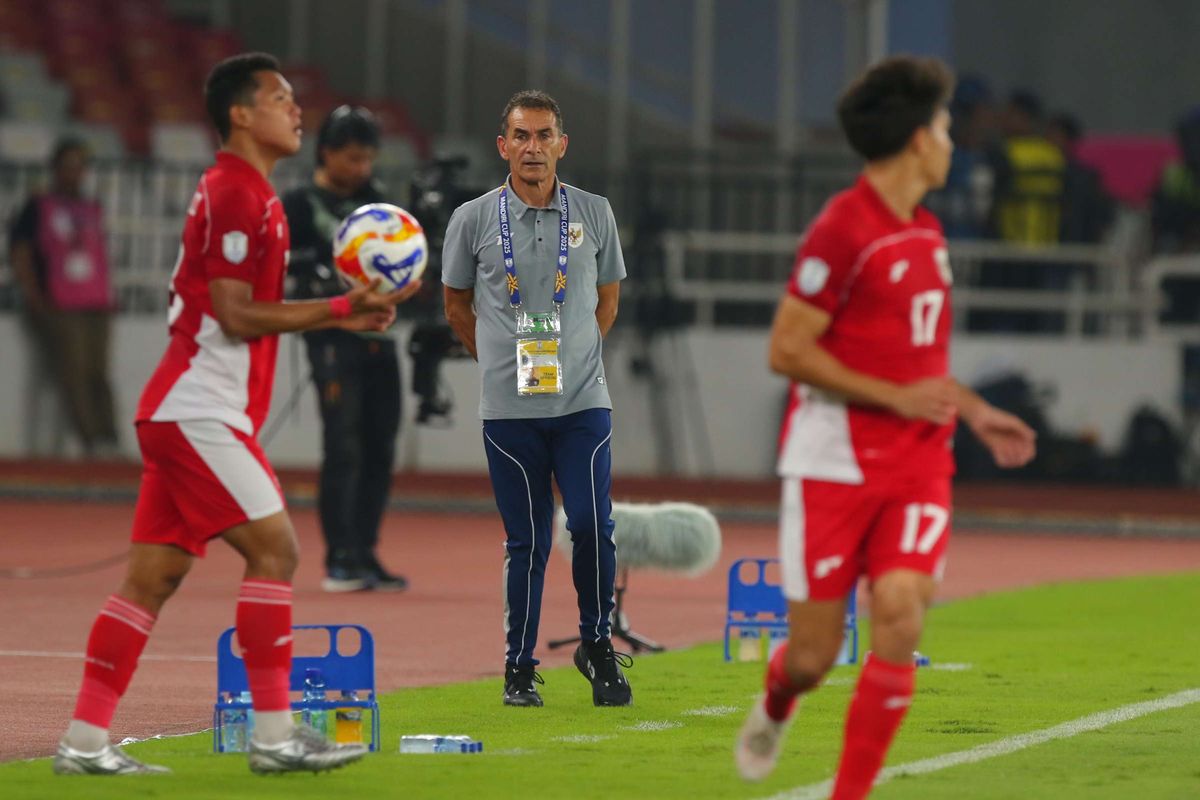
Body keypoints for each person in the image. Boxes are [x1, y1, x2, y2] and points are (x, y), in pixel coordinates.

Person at [52, 53, 420, 777]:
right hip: (197, 408)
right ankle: (275, 736)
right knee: (276, 550)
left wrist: (339, 317)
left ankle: (85, 741)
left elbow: (246, 310)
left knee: (151, 580)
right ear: (241, 114)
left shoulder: (250, 193)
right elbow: (234, 313)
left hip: (188, 407)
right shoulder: (235, 191)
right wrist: (338, 307)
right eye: (280, 99)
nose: (296, 109)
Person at [734, 56, 1037, 798]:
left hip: (918, 464)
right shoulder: (843, 229)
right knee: (811, 659)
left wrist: (973, 409)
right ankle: (777, 698)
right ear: (917, 140)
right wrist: (893, 398)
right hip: (832, 463)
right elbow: (787, 350)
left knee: (900, 611)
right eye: (944, 128)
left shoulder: (928, 232)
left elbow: (917, 366)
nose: (951, 143)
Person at [441, 90, 631, 708]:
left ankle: (597, 646)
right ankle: (518, 669)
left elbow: (608, 299)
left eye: (544, 135)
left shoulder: (595, 212)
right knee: (527, 541)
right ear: (503, 147)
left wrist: (578, 358)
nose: (533, 147)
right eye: (521, 136)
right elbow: (455, 305)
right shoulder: (472, 219)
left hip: (582, 406)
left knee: (592, 524)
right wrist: (500, 365)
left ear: (562, 145)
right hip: (510, 411)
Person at [282, 105, 407, 593]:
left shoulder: (377, 202)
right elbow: (287, 272)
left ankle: (366, 551)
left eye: (368, 158)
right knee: (343, 445)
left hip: (379, 336)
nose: (361, 168)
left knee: (381, 447)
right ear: (326, 153)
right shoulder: (298, 204)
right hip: (331, 337)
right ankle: (339, 556)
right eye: (353, 158)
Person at [8, 137, 120, 458]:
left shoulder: (91, 206)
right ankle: (91, 441)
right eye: (68, 166)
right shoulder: (38, 206)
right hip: (59, 303)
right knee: (75, 373)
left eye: (79, 167)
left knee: (99, 373)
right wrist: (34, 295)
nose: (74, 173)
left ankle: (110, 439)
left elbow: (99, 254)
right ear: (56, 169)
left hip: (96, 303)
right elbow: (21, 252)